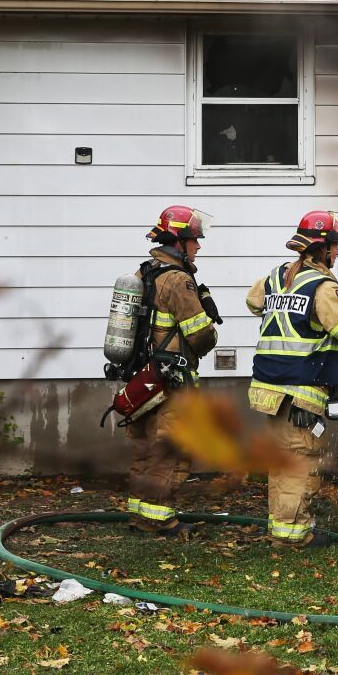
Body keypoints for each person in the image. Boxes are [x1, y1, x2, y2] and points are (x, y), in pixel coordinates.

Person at [245, 210, 338, 546]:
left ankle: (282, 525)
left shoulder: (276, 275)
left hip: (269, 388)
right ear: (323, 248)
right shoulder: (321, 284)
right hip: (300, 390)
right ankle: (292, 535)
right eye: (336, 246)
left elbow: (253, 301)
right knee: (299, 461)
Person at [125, 205, 220, 535]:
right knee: (172, 452)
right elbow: (200, 336)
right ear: (178, 243)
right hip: (170, 382)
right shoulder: (179, 281)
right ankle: (158, 518)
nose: (198, 246)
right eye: (194, 240)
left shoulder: (144, 273)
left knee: (145, 451)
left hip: (142, 381)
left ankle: (139, 514)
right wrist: (209, 316)